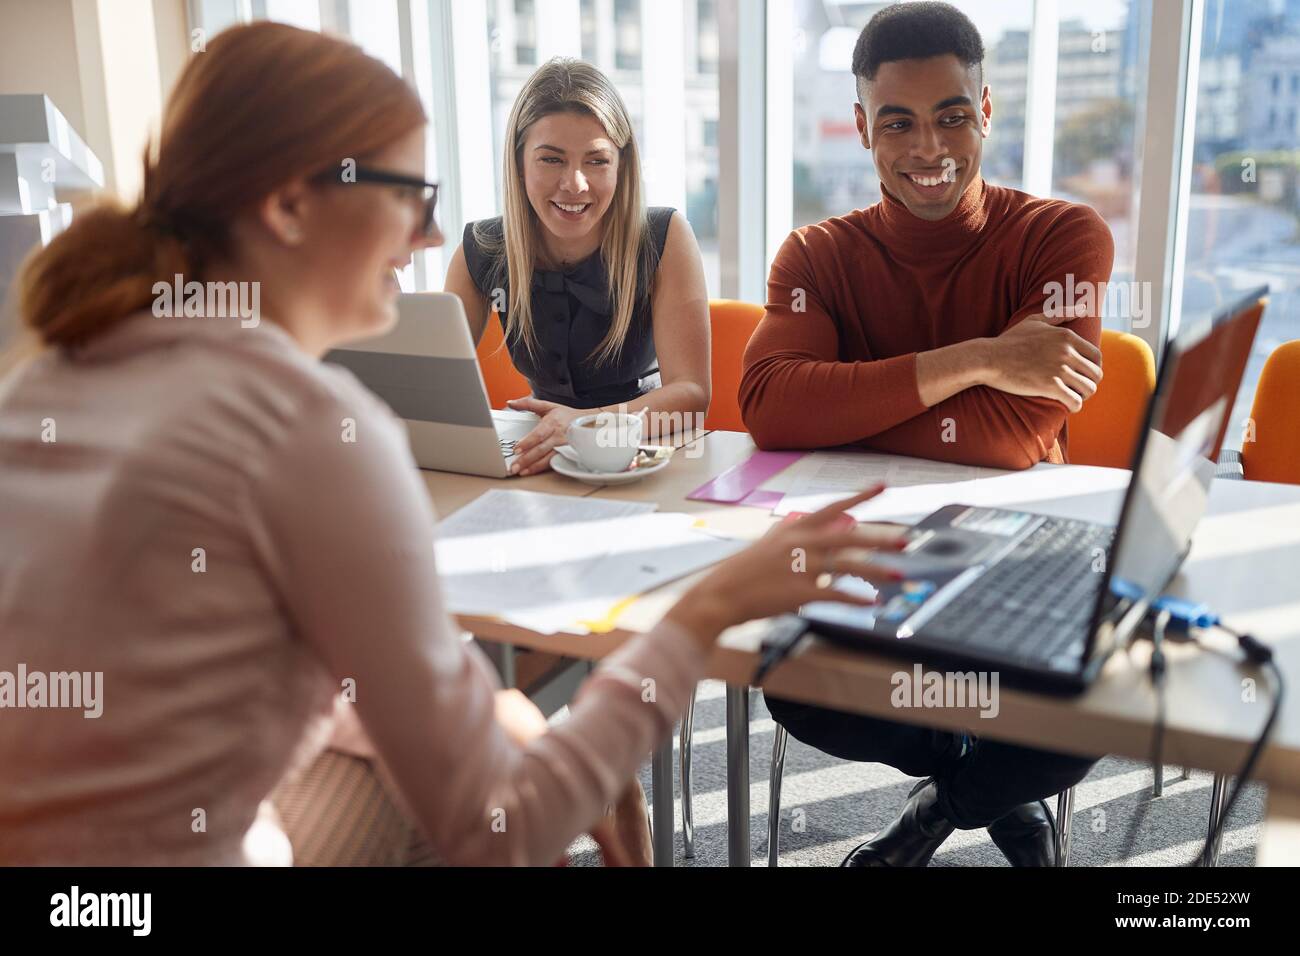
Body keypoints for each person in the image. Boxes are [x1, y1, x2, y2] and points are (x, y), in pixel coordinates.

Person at [0, 21, 899, 866]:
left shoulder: (49, 375)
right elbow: (496, 827)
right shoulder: (307, 430)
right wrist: (703, 613)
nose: (431, 235)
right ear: (285, 208)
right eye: (407, 196)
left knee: (458, 738)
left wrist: (491, 715)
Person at [740, 2, 1112, 867]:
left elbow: (1012, 436)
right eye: (899, 122)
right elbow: (770, 408)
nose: (928, 148)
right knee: (795, 682)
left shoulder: (1063, 236)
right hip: (876, 549)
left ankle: (936, 814)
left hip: (1021, 554)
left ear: (986, 112)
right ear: (864, 128)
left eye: (951, 115)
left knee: (1080, 717)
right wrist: (979, 358)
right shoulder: (814, 256)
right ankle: (990, 791)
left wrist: (843, 405)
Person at [444, 58, 710, 477]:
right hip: (544, 457)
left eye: (597, 161)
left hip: (642, 455)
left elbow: (691, 397)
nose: (575, 184)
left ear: (621, 166)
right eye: (551, 160)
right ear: (519, 164)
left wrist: (590, 425)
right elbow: (433, 386)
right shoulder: (481, 248)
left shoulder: (665, 236)